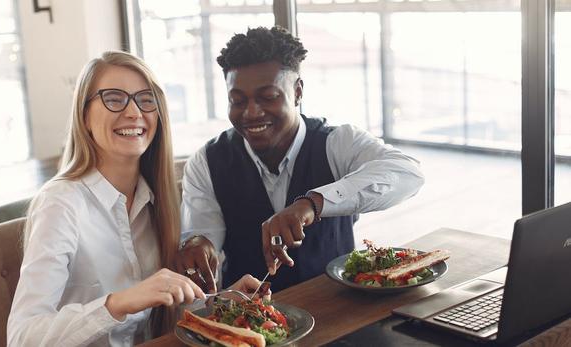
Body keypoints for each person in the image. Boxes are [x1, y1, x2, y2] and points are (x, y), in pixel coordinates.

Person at [7, 51, 265, 347]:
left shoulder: (160, 199)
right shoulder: (60, 204)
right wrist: (119, 303)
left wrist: (222, 303)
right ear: (84, 115)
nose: (134, 113)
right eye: (114, 99)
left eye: (146, 99)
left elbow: (167, 308)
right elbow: (22, 337)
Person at [177, 26, 425, 293]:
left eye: (268, 97)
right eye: (237, 101)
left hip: (340, 308)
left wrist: (314, 203)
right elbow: (201, 235)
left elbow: (408, 173)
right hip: (251, 322)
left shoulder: (337, 142)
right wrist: (197, 245)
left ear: (297, 92)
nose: (251, 112)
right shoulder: (207, 161)